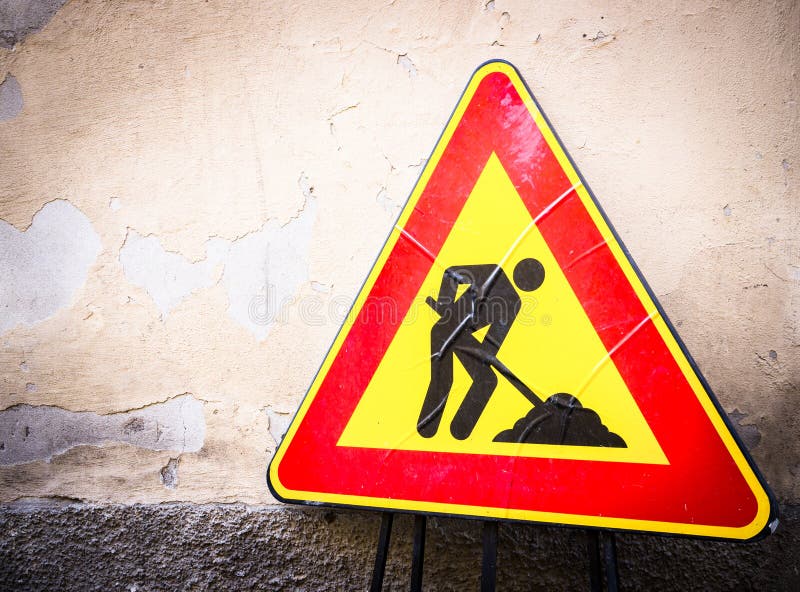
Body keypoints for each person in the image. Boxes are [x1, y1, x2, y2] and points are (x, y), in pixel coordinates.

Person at [417, 258, 545, 440]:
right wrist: (445, 304)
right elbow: (451, 274)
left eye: (533, 279)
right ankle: (427, 429)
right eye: (529, 274)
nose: (528, 280)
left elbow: (493, 341)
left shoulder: (514, 303)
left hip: (463, 339)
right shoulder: (493, 273)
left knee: (487, 379)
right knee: (445, 379)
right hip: (443, 333)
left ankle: (460, 430)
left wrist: (483, 354)